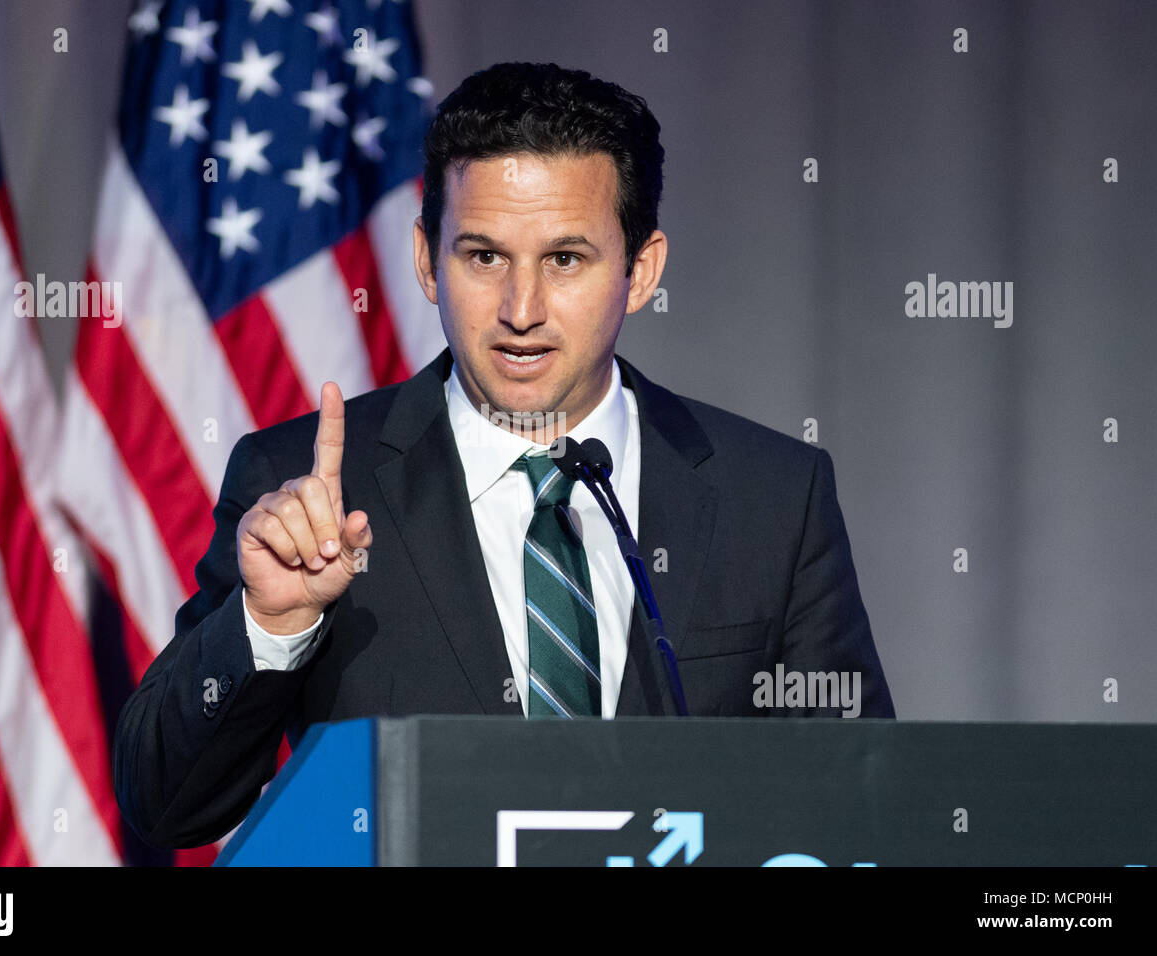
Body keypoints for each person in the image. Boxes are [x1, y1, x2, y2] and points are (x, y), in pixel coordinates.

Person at [113, 62, 894, 849]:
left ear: (641, 271)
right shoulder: (305, 488)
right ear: (427, 260)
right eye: (484, 257)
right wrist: (272, 624)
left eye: (565, 260)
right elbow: (167, 805)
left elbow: (862, 803)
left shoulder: (771, 498)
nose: (521, 311)